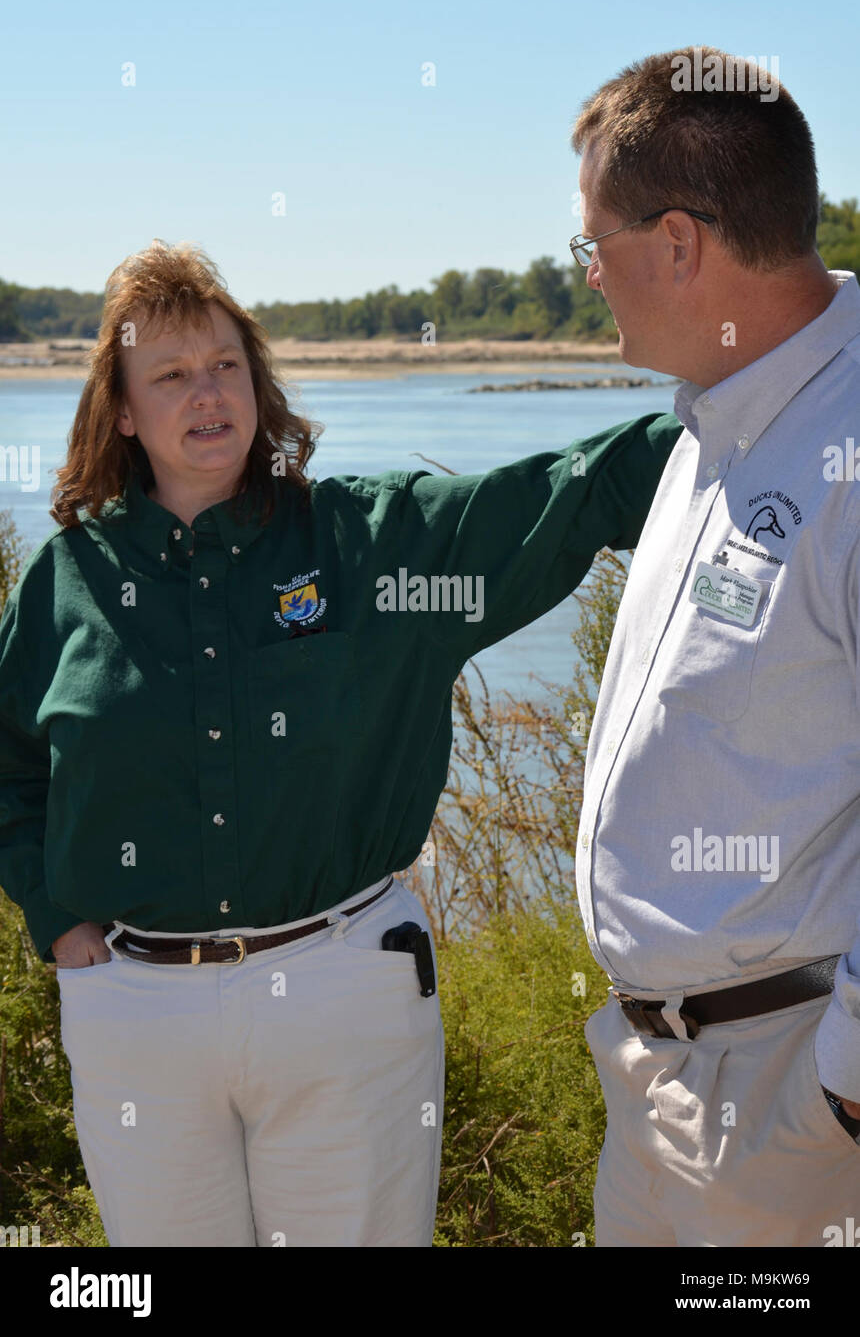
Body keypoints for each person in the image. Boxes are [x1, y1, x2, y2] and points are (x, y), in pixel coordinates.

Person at [0, 237, 680, 1247]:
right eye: (172, 375)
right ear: (123, 410)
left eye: (226, 366)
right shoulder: (69, 581)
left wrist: (759, 398)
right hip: (135, 1009)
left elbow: (565, 494)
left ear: (259, 385)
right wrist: (59, 920)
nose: (207, 394)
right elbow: (12, 771)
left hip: (343, 992)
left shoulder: (370, 544)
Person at [569, 45, 860, 1247]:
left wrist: (837, 1095)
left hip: (786, 1103)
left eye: (592, 244)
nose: (587, 276)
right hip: (652, 1086)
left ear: (678, 243)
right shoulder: (714, 415)